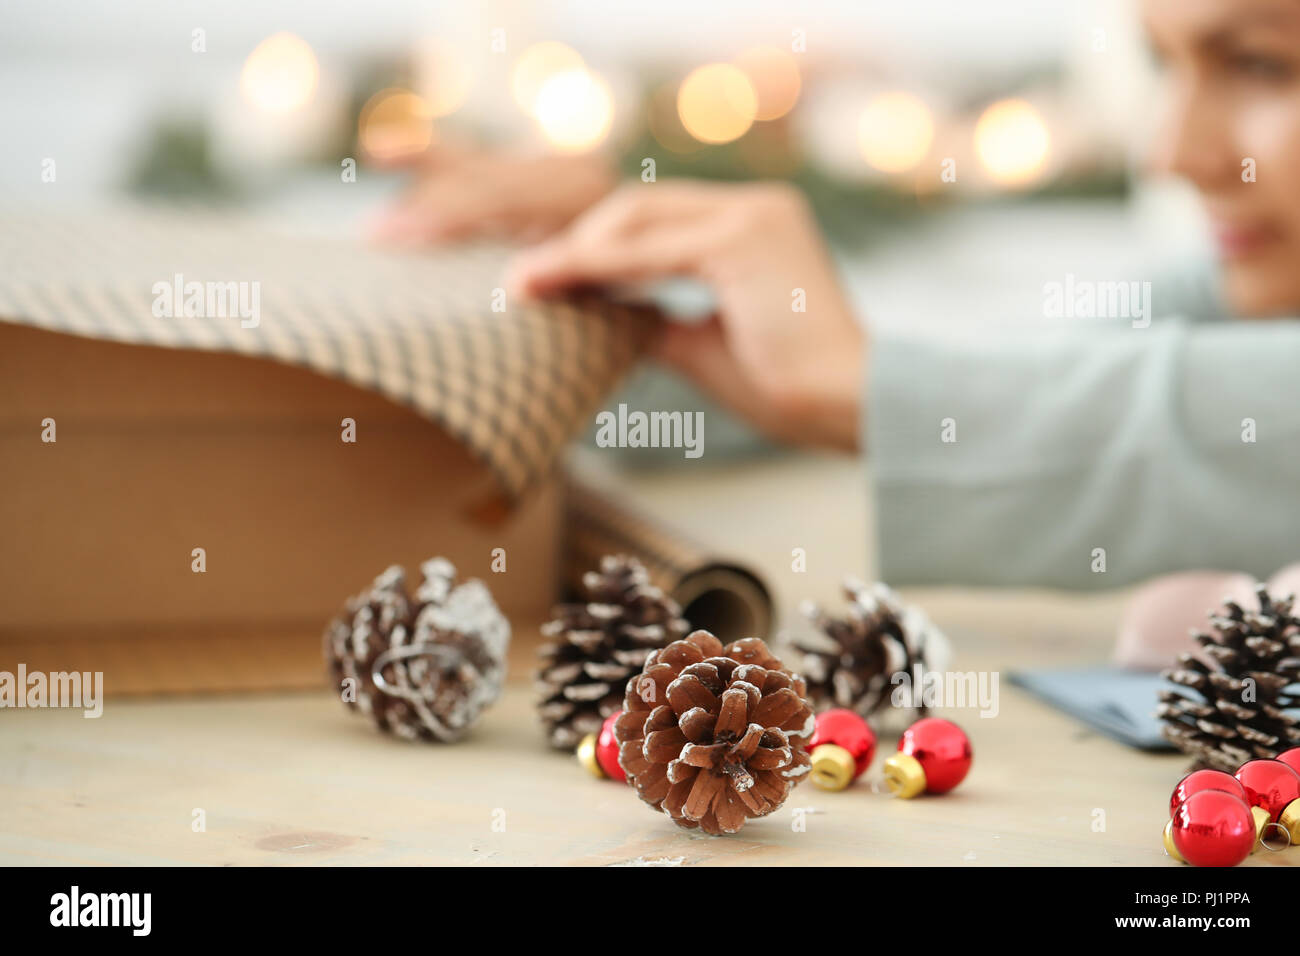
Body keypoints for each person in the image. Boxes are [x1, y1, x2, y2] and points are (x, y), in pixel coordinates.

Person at [373, 0, 1300, 590]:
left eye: (1263, 62)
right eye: (1165, 65)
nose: (1173, 154)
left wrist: (869, 390)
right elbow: (1029, 370)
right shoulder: (1222, 291)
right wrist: (639, 304)